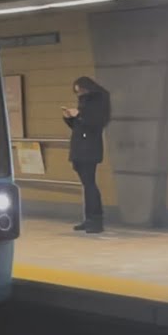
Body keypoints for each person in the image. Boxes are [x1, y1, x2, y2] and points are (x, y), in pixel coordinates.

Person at [62, 76, 111, 234]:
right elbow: (79, 127)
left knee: (89, 184)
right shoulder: (85, 101)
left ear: (88, 88)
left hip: (89, 148)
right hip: (80, 146)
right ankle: (90, 218)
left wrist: (79, 115)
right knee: (87, 184)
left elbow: (95, 124)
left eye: (81, 90)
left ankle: (96, 220)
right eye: (77, 92)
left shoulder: (99, 101)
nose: (79, 94)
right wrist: (69, 118)